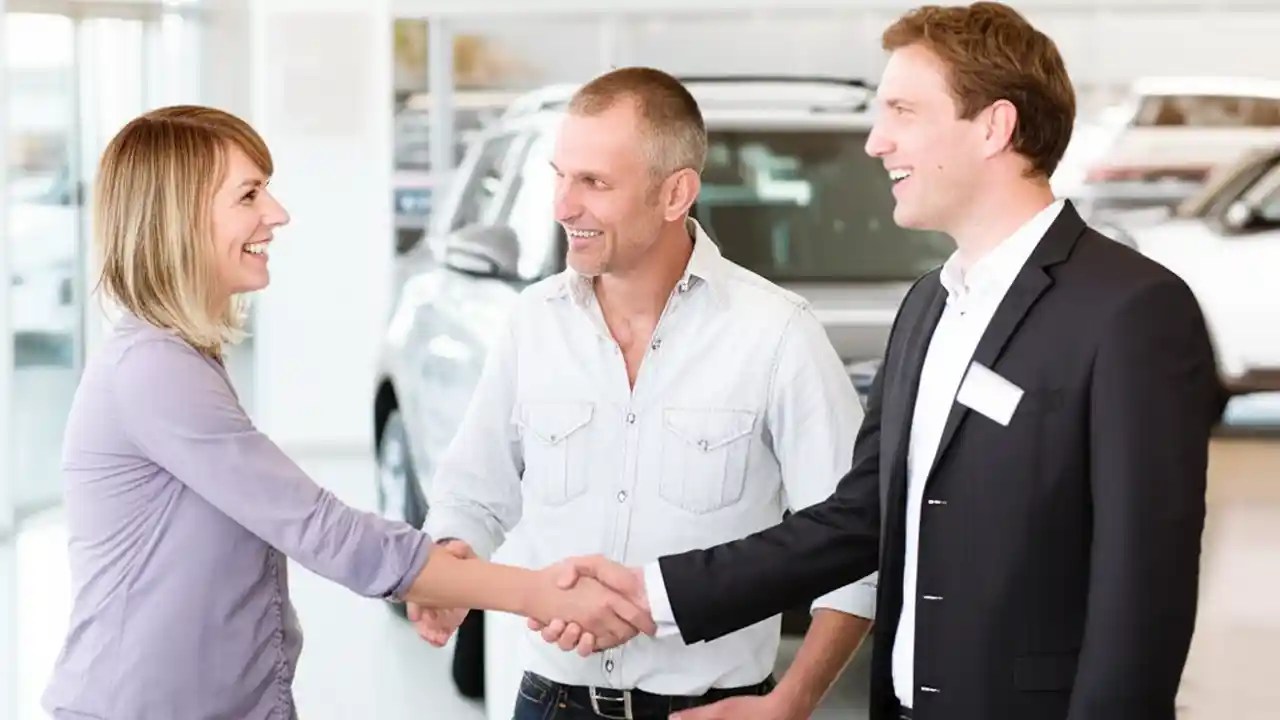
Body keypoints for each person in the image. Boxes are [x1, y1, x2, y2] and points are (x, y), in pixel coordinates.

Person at [543, 4, 1226, 720]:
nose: (877, 141)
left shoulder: (1130, 310)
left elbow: (1143, 594)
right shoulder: (929, 305)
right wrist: (651, 592)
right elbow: (859, 520)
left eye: (902, 110)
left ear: (994, 127)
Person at [40, 105, 653, 720]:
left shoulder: (180, 356)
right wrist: (541, 593)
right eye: (249, 194)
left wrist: (446, 575)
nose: (276, 214)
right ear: (179, 218)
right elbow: (322, 531)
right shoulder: (152, 370)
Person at [410, 67, 879, 720]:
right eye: (560, 175)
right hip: (549, 702)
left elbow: (854, 551)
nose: (562, 206)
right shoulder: (531, 322)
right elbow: (471, 494)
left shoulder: (778, 335)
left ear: (675, 194)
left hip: (710, 708)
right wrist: (452, 559)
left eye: (594, 183)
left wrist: (793, 702)